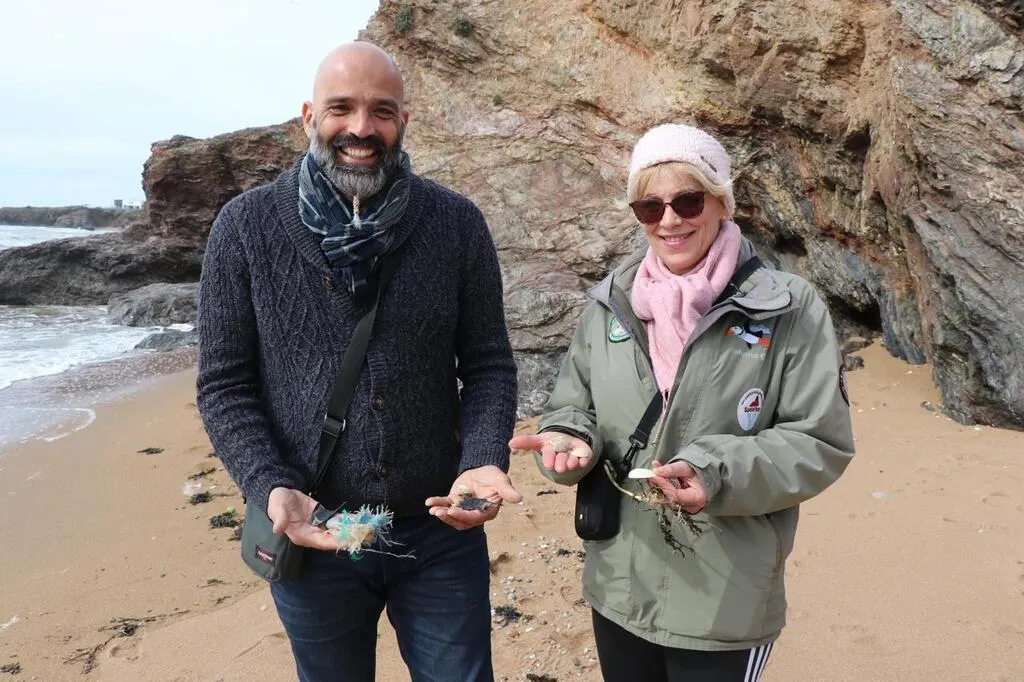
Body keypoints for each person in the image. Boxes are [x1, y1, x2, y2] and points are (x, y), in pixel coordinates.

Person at [196, 41, 521, 682]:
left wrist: (483, 455)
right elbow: (224, 385)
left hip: (436, 531)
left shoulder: (455, 224)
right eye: (341, 108)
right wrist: (268, 484)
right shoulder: (244, 226)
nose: (361, 129)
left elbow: (488, 365)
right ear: (308, 116)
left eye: (382, 110)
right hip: (316, 534)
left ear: (404, 121)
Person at [510, 123, 855, 682]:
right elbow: (573, 405)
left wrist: (713, 471)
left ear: (721, 200)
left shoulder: (789, 307)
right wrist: (569, 438)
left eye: (687, 199)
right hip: (618, 587)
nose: (669, 220)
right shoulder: (609, 303)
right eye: (650, 207)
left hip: (724, 597)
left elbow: (819, 440)